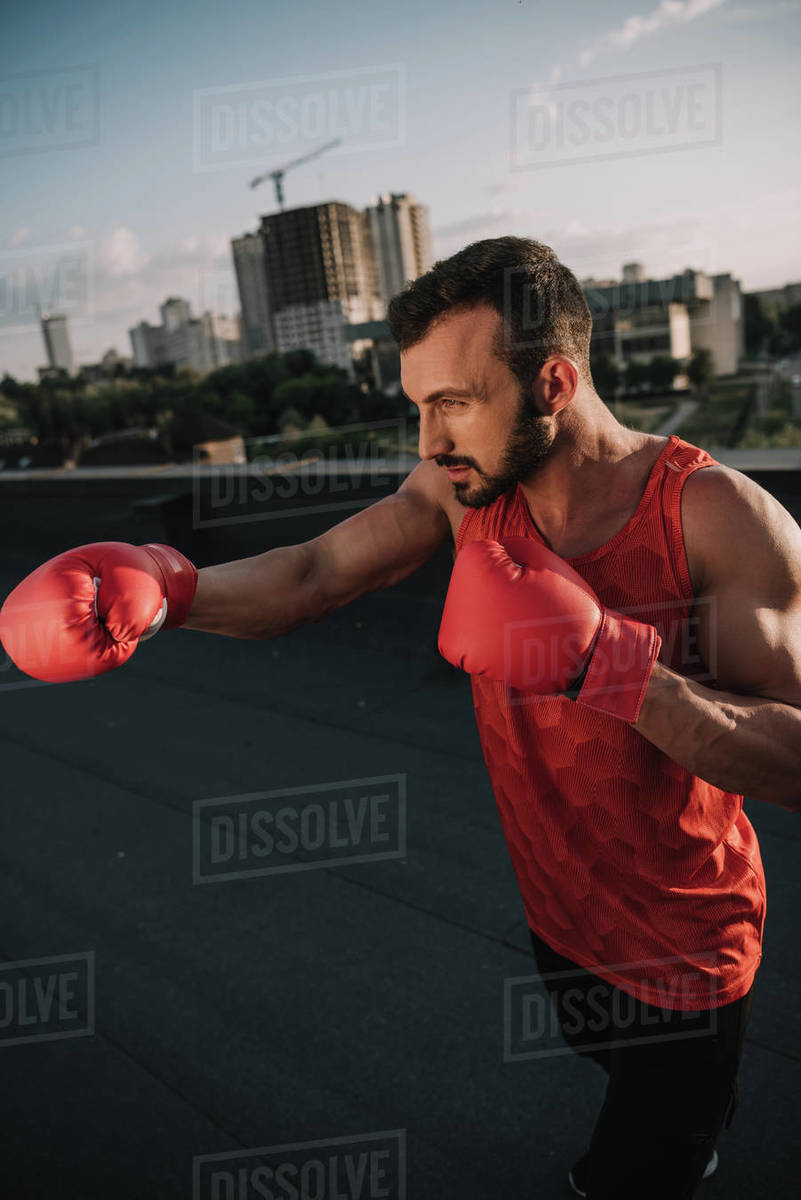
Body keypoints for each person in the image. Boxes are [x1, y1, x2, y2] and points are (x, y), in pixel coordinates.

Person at [2, 237, 800, 1199]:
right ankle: (689, 1116)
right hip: (557, 910)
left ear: (553, 381)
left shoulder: (717, 518)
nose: (428, 441)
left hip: (683, 944)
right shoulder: (465, 495)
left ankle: (681, 1129)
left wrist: (614, 667)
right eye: (417, 405)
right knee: (612, 1066)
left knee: (633, 1170)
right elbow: (317, 572)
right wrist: (169, 590)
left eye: (452, 403)